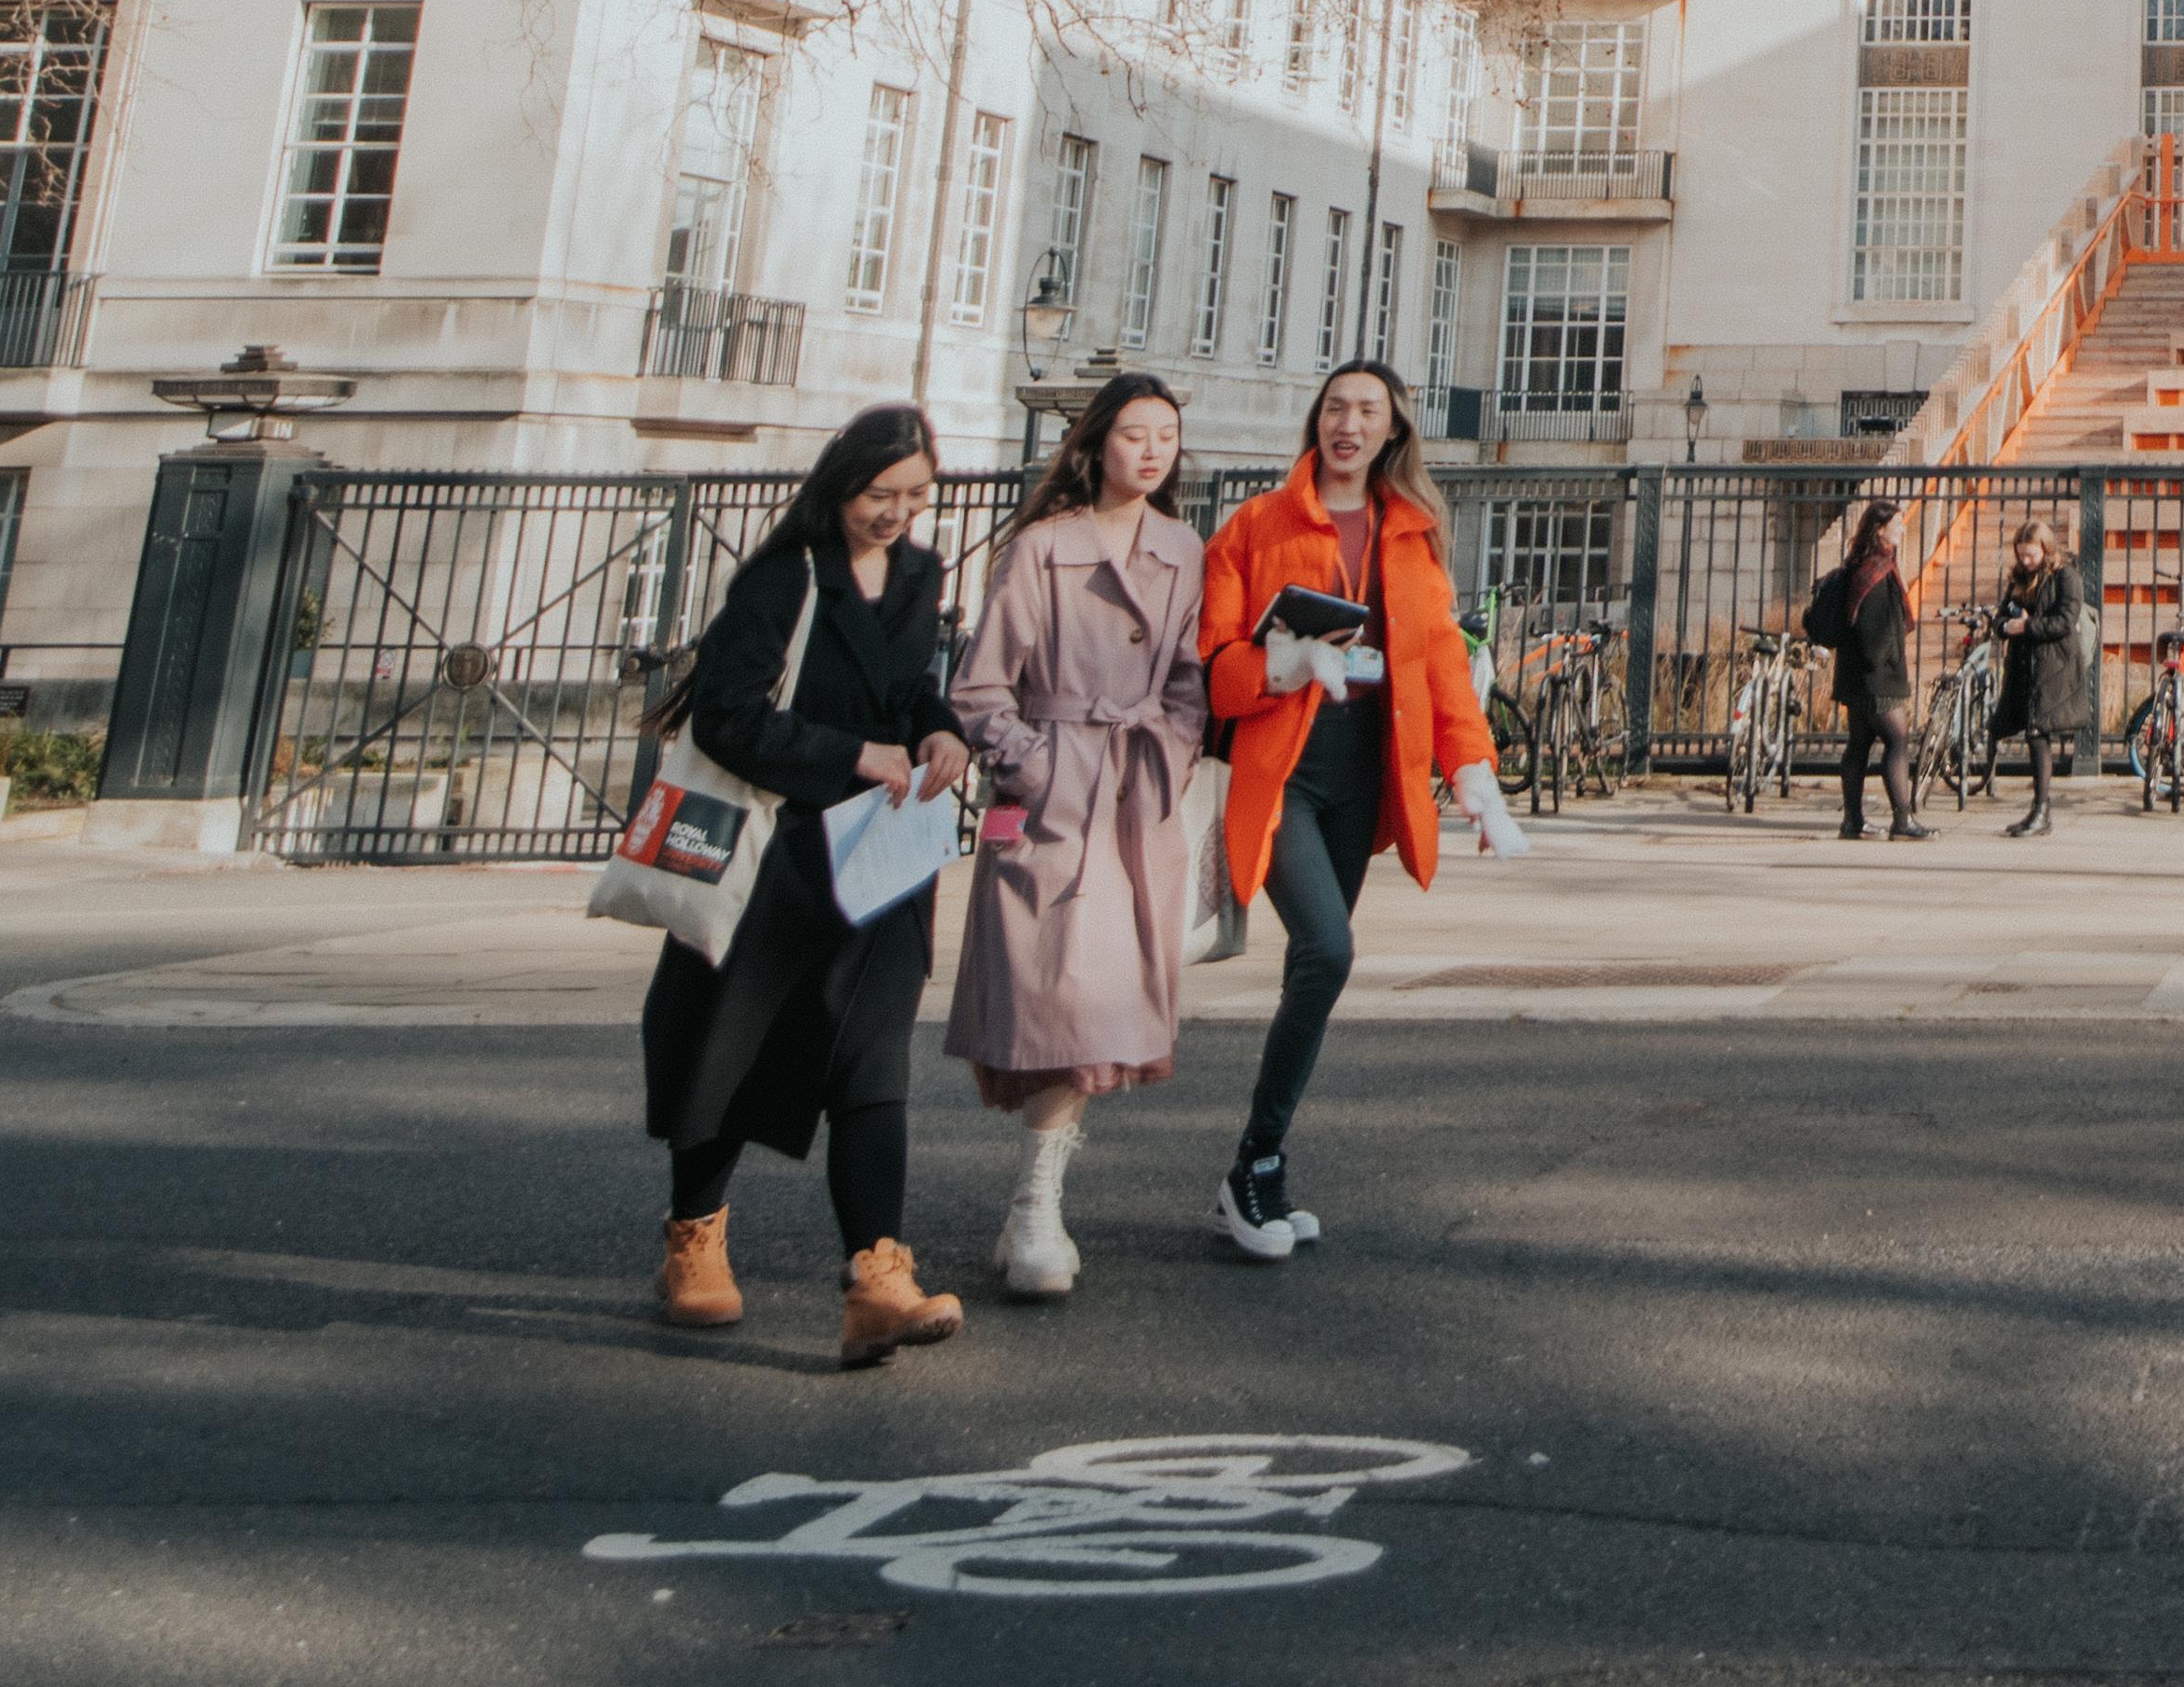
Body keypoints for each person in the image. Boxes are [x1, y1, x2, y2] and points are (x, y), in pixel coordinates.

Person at [641, 403, 973, 1366]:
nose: (899, 513)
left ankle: (879, 1275)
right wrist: (855, 752)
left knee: (875, 1059)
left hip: (878, 856)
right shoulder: (780, 578)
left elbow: (907, 686)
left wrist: (942, 725)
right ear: (839, 484)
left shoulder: (919, 573)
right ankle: (693, 1235)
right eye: (882, 494)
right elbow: (724, 719)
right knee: (726, 1045)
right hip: (773, 854)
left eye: (916, 496)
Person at [1200, 358, 1525, 1262]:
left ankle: (1254, 1170)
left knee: (1316, 970)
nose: (1349, 423)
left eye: (1367, 411)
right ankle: (1256, 1162)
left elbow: (1440, 671)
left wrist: (1475, 780)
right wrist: (1286, 664)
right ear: (1317, 420)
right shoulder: (1255, 525)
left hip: (1360, 778)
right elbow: (1216, 675)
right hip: (1285, 768)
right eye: (1336, 407)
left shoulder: (1411, 533)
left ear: (1392, 431)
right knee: (1327, 950)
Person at [942, 371, 1214, 1299]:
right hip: (1056, 795)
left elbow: (1188, 682)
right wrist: (1037, 766)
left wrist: (1169, 752)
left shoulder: (1185, 548)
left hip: (1136, 795)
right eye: (1134, 432)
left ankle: (1037, 1199)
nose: (1151, 449)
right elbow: (981, 687)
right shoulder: (1042, 548)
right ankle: (1034, 1202)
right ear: (1095, 442)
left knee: (1095, 1005)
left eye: (1167, 435)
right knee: (1047, 999)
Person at [1804, 497, 1926, 841]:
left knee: (1859, 743)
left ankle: (1852, 821)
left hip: (1854, 674)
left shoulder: (1860, 565)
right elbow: (1875, 632)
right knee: (1897, 741)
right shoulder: (1876, 570)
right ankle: (1902, 819)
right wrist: (1887, 659)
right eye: (1896, 524)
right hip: (1877, 678)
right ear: (1879, 529)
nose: (1902, 529)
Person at [1983, 523, 2090, 835]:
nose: (2026, 561)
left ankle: (2041, 812)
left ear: (2045, 549)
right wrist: (2006, 627)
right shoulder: (2019, 577)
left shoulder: (2065, 577)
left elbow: (2065, 621)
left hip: (2053, 665)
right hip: (2023, 666)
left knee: (2038, 732)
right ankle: (2038, 811)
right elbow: (2001, 617)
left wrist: (2027, 627)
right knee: (2030, 732)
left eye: (2031, 555)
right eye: (2021, 555)